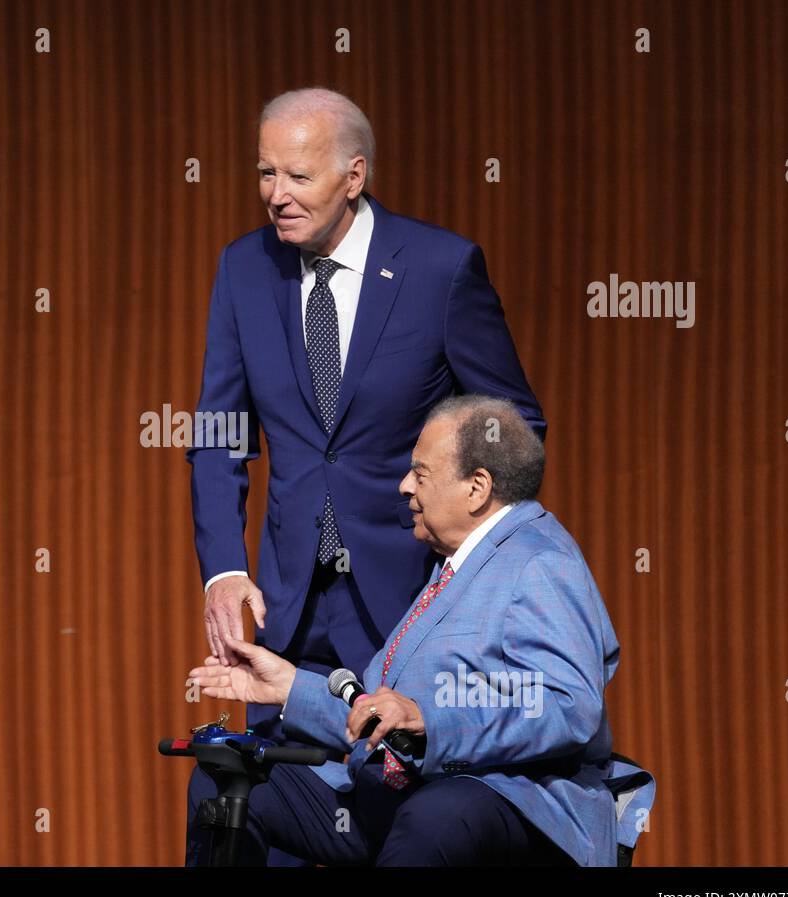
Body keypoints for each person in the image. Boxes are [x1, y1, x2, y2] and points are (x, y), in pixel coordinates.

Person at [188, 88, 545, 750]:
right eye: (266, 172)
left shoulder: (440, 270)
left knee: (398, 819)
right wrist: (223, 569)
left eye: (298, 175)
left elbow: (515, 428)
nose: (276, 194)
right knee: (272, 814)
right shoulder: (243, 268)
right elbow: (219, 434)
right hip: (288, 608)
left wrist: (463, 556)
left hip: (413, 602)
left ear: (354, 176)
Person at [186, 395, 646, 866]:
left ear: (477, 487)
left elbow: (568, 707)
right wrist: (287, 688)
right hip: (404, 795)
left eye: (421, 474)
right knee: (226, 780)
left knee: (434, 818)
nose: (405, 486)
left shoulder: (539, 561)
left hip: (512, 804)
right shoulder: (451, 567)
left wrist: (432, 720)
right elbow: (385, 721)